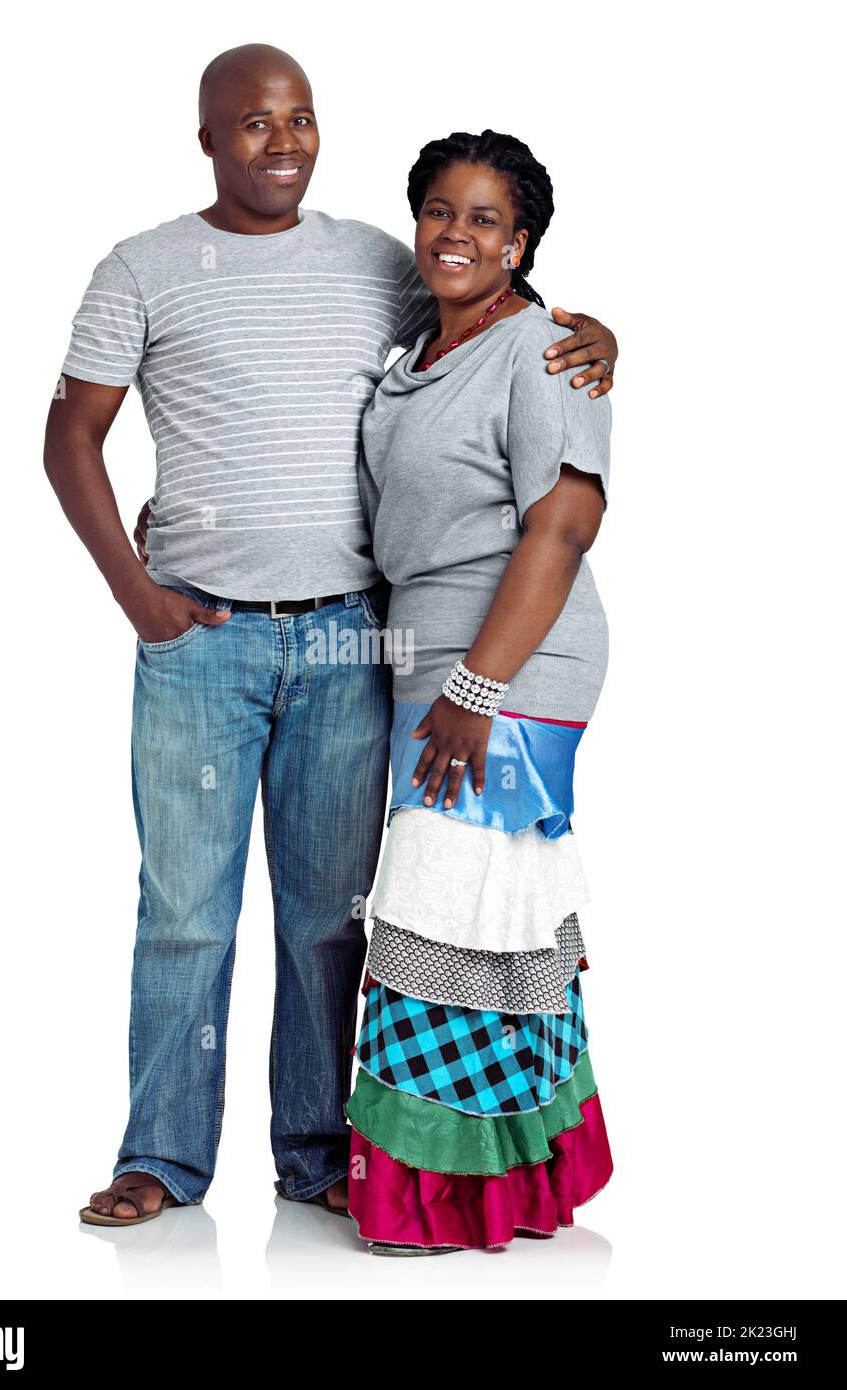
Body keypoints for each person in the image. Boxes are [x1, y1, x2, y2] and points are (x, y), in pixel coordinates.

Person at [43, 43, 618, 1227]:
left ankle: (315, 1154)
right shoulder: (142, 267)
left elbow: (500, 321)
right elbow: (69, 439)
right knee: (186, 910)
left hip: (358, 645)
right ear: (208, 137)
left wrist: (592, 332)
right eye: (253, 123)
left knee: (331, 914)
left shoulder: (378, 262)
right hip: (200, 641)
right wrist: (134, 593)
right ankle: (162, 1156)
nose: (283, 142)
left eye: (300, 119)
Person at [343, 129, 614, 1254]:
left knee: (446, 906)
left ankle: (449, 1197)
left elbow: (562, 520)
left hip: (508, 668)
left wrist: (472, 685)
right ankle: (527, 1175)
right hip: (429, 667)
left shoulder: (541, 349)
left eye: (484, 219)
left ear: (522, 243)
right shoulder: (414, 352)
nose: (455, 234)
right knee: (480, 911)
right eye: (439, 212)